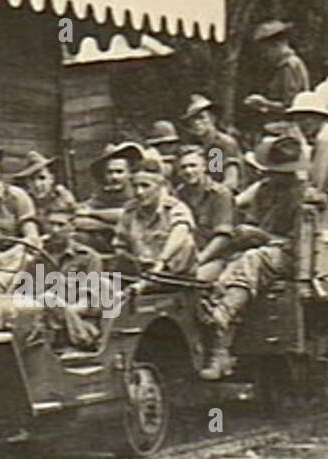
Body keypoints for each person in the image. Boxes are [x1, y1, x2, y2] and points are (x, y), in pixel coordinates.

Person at [199, 135, 308, 380]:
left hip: (288, 255)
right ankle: (214, 344)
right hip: (256, 252)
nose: (272, 176)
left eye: (279, 172)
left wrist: (261, 236)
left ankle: (222, 313)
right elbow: (248, 215)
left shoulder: (301, 196)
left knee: (253, 260)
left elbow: (300, 243)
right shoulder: (264, 190)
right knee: (213, 269)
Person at [112, 155, 197, 281]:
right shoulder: (130, 211)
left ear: (160, 186)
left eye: (145, 186)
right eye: (135, 186)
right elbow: (120, 245)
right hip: (140, 275)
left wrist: (161, 262)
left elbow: (181, 231)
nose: (139, 192)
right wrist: (133, 260)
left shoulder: (174, 208)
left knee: (187, 243)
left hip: (174, 278)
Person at [174, 147, 236, 281]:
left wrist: (200, 259)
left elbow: (223, 236)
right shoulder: (179, 194)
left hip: (216, 257)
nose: (188, 171)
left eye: (193, 166)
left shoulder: (220, 194)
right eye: (183, 167)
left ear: (204, 167)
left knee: (193, 280)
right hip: (185, 256)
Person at [75, 141, 141, 253]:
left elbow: (126, 215)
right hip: (107, 240)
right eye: (110, 172)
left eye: (119, 172)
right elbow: (80, 217)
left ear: (130, 173)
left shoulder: (138, 190)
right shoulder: (103, 192)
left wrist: (92, 215)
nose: (114, 177)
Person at [182, 94, 246, 191]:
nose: (196, 123)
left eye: (201, 118)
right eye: (192, 119)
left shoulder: (222, 144)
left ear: (213, 119)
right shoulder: (198, 144)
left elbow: (231, 181)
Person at [245, 20, 310, 112]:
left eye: (266, 50)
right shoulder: (282, 65)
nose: (265, 55)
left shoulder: (288, 66)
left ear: (277, 45)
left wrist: (264, 103)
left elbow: (291, 106)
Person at [9, 151, 77, 218]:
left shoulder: (62, 198)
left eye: (42, 178)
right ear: (27, 182)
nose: (37, 184)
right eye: (32, 179)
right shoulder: (24, 201)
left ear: (51, 179)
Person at [42, 206, 105, 275]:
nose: (55, 230)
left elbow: (92, 284)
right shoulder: (37, 253)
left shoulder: (88, 257)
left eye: (61, 225)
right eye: (51, 224)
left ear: (72, 227)